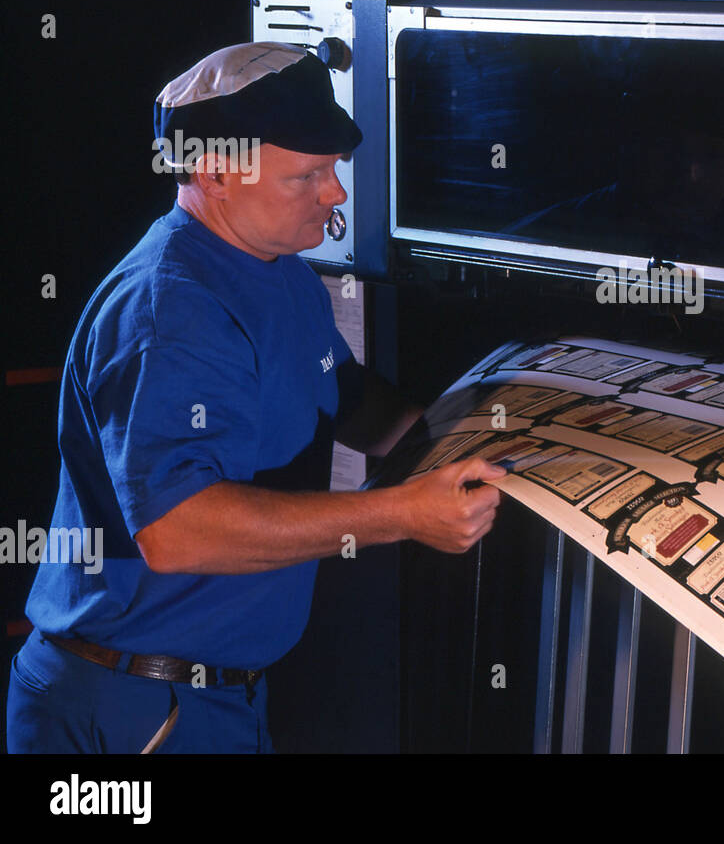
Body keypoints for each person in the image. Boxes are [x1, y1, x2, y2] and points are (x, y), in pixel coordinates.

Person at [6, 42, 505, 754]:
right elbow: (177, 530)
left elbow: (347, 395)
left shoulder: (281, 273)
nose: (333, 194)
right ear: (216, 171)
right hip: (131, 708)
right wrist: (402, 514)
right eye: (307, 175)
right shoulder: (170, 309)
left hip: (216, 698)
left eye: (332, 170)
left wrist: (471, 435)